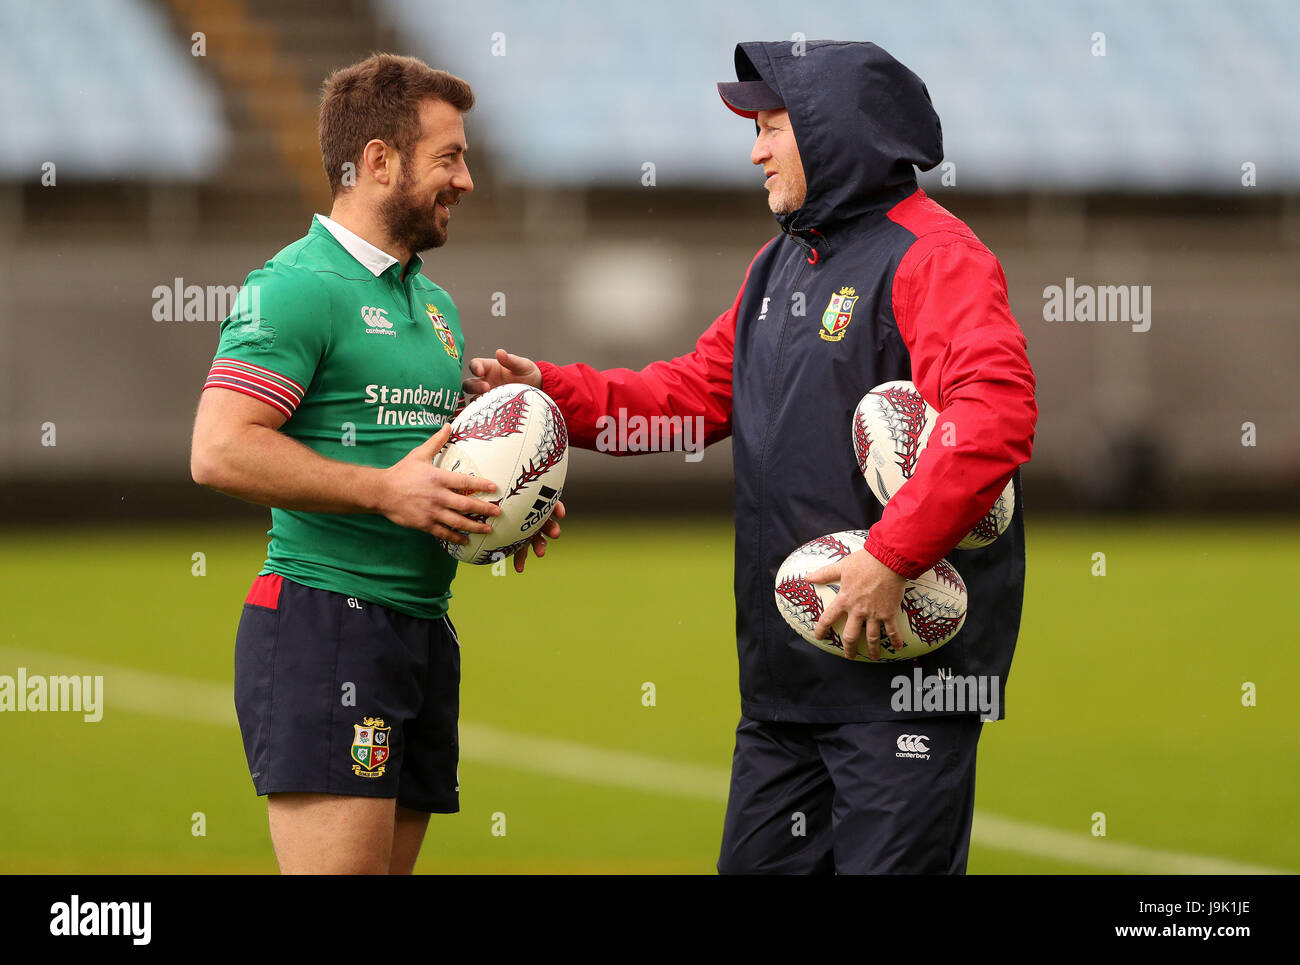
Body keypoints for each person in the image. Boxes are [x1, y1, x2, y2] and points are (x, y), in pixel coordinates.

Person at [463, 40, 1037, 874]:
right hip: (786, 682)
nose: (756, 150)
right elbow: (695, 396)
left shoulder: (936, 256)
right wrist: (553, 390)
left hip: (905, 683)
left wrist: (891, 553)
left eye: (772, 127)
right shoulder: (779, 263)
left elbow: (993, 416)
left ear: (835, 133)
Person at [190, 53, 562, 875]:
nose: (466, 179)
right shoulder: (292, 285)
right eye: (450, 157)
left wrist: (501, 506)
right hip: (326, 626)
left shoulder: (433, 302)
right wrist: (384, 491)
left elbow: (425, 469)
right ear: (381, 162)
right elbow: (217, 449)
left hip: (421, 628)